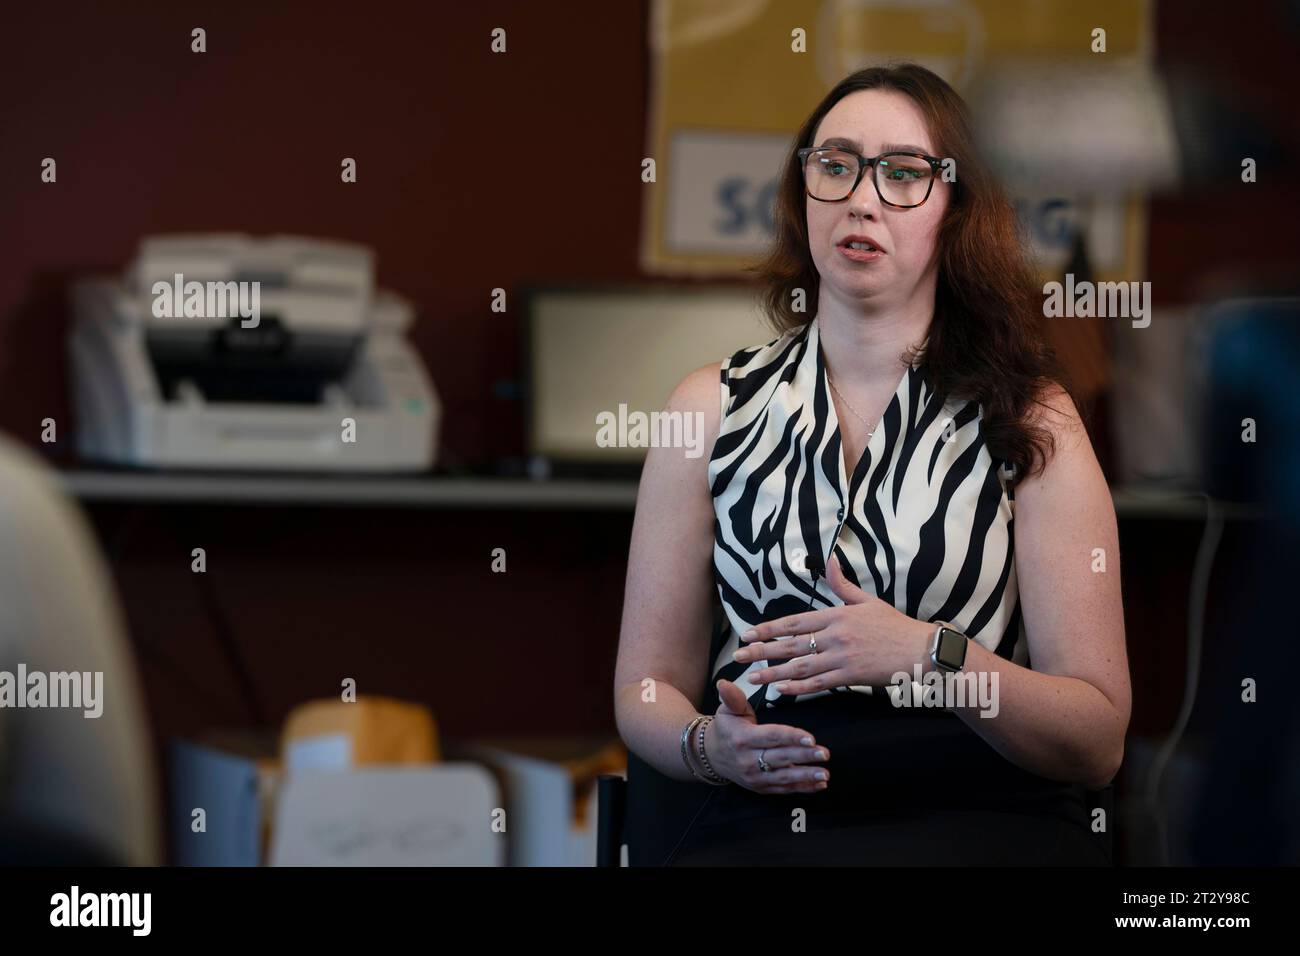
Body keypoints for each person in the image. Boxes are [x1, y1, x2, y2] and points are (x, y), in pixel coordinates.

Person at [613, 63, 1130, 865]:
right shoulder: (707, 407)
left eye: (902, 174)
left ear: (956, 209)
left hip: (980, 814)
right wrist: (706, 748)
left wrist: (931, 653)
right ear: (803, 190)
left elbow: (1096, 739)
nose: (862, 198)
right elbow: (644, 688)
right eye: (836, 165)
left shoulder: (1033, 416)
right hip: (768, 816)